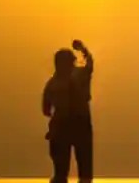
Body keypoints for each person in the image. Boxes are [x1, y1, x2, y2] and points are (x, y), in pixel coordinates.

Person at [42, 39, 94, 183]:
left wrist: (84, 50)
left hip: (70, 125)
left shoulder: (55, 83)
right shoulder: (75, 77)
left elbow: (46, 110)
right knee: (70, 170)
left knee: (73, 171)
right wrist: (84, 50)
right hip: (73, 125)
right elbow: (89, 65)